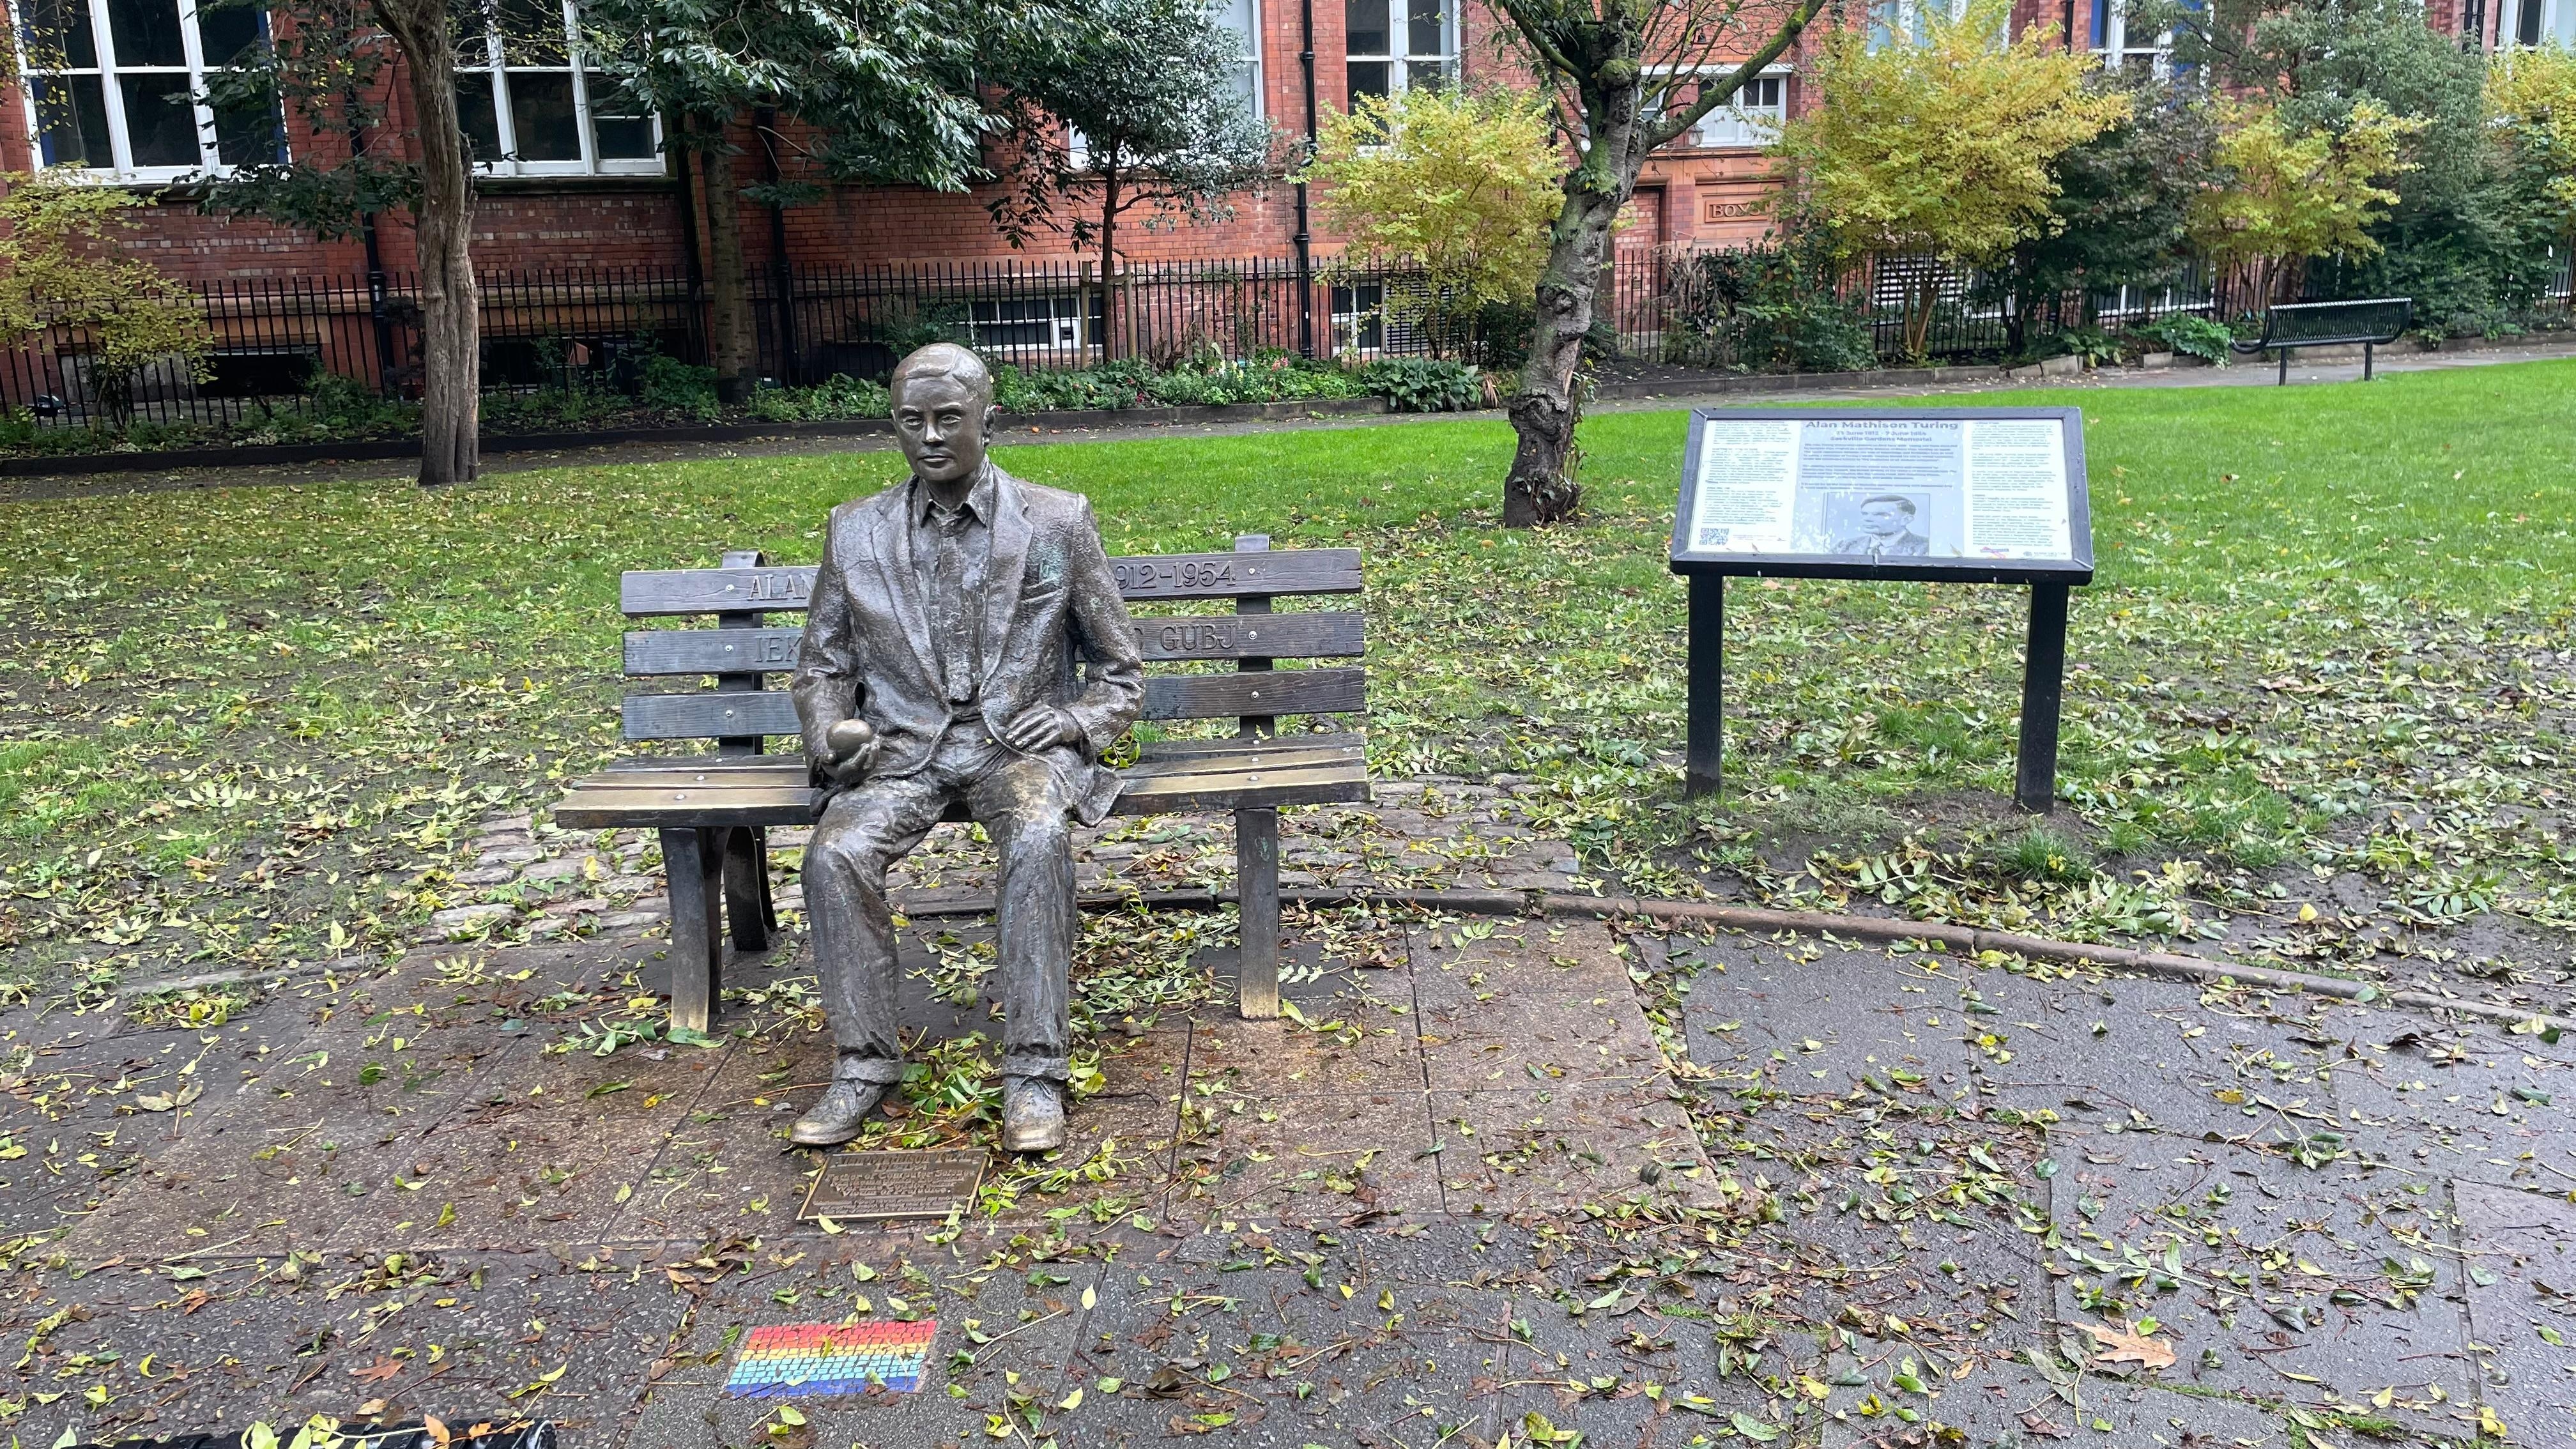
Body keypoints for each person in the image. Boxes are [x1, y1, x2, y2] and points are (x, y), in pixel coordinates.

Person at [787, 343, 1145, 1152]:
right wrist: (831, 737)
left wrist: (1075, 723)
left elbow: (1120, 672)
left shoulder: (1057, 520)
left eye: (949, 419)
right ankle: (863, 1065)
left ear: (990, 420)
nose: (929, 437)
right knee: (834, 855)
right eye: (910, 421)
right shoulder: (855, 530)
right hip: (900, 752)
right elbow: (821, 668)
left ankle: (1034, 1074)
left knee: (1039, 836)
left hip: (1014, 749)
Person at [1833, 495, 1930, 557]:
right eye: (1865, 514)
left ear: (1906, 520)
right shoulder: (1844, 546)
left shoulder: (1926, 547)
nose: (1868, 519)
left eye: (1881, 514)